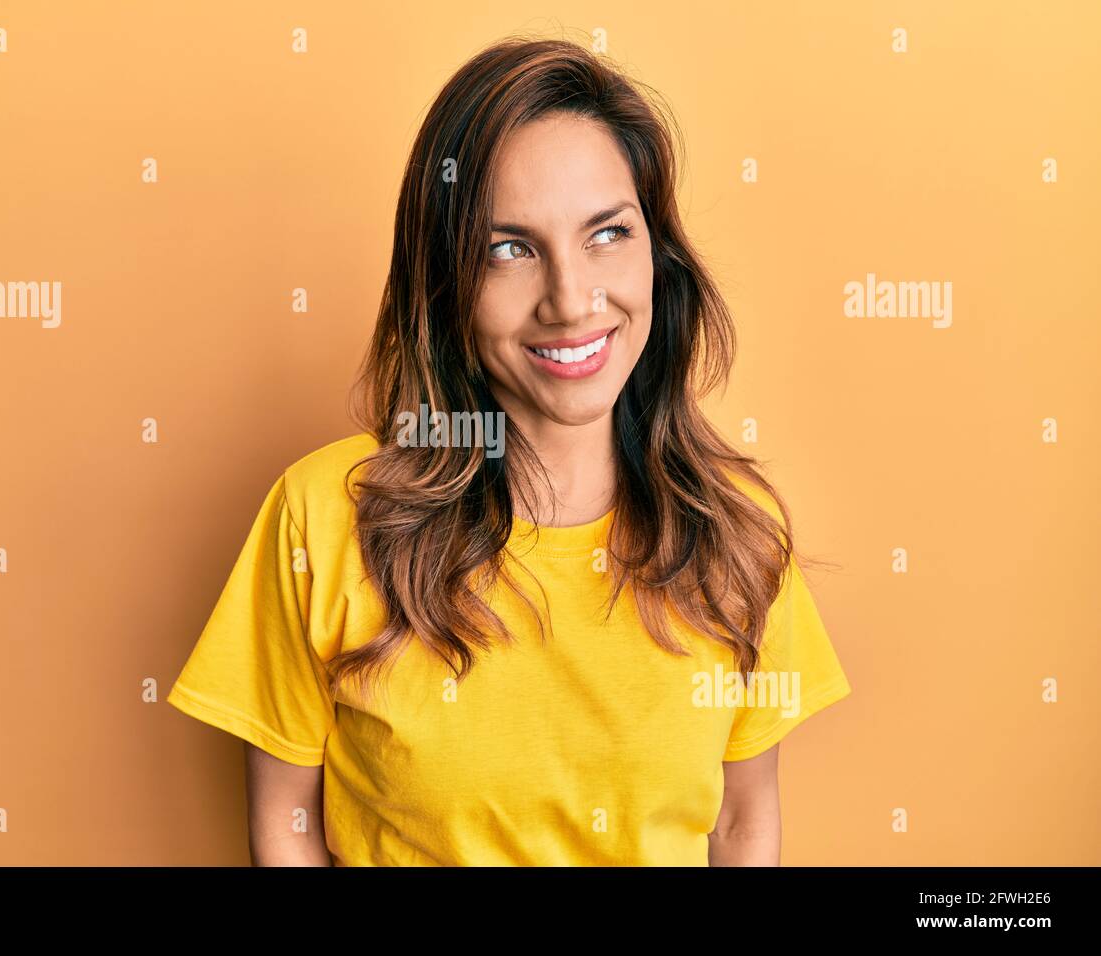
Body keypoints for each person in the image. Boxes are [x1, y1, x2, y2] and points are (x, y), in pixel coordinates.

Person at [167, 36, 851, 866]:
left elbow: (743, 822)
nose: (571, 299)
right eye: (509, 249)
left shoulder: (738, 535)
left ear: (657, 256)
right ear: (444, 281)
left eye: (607, 233)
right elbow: (286, 823)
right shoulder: (324, 518)